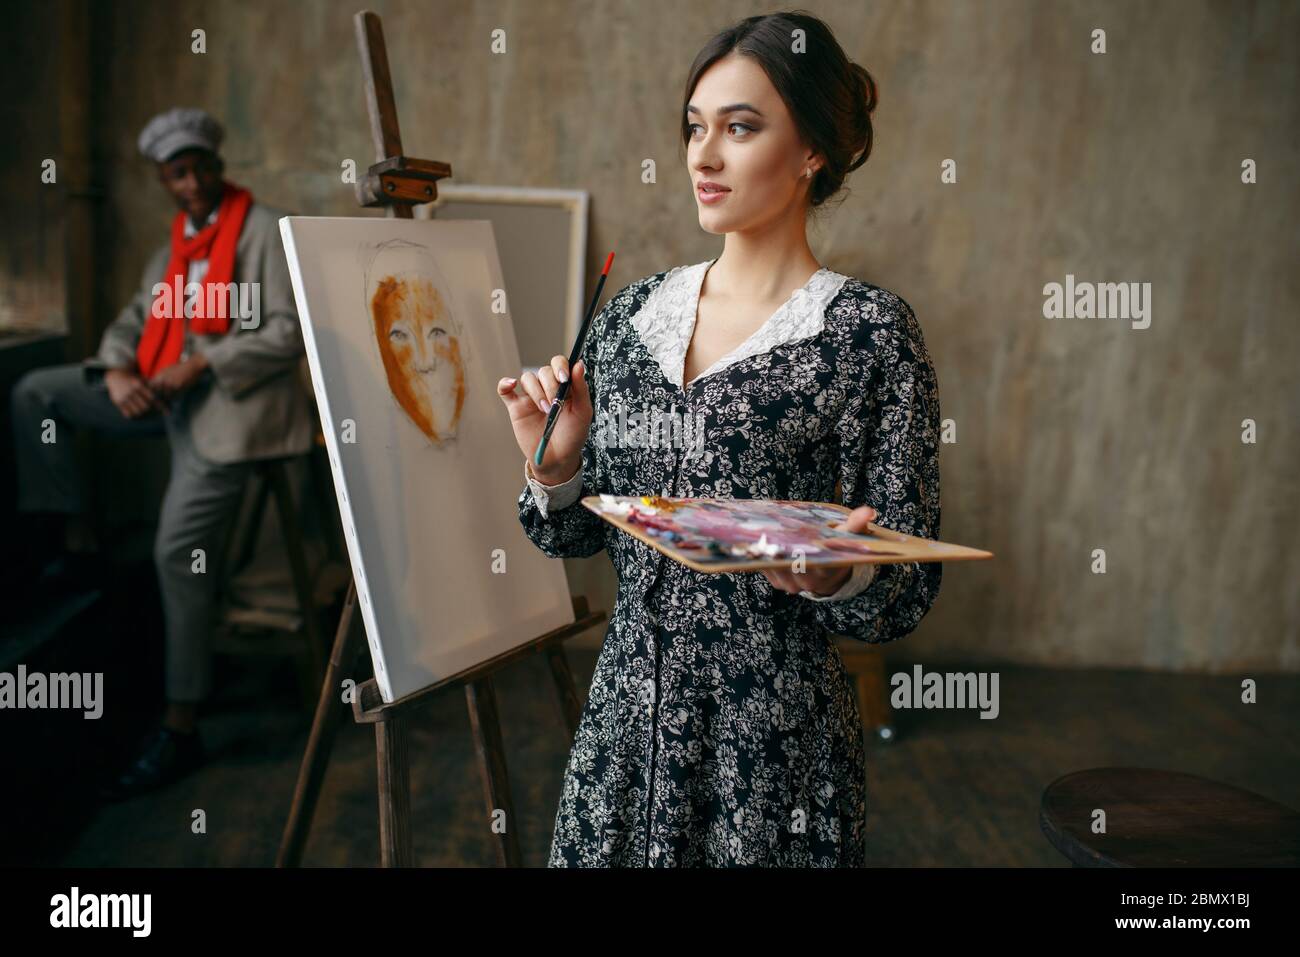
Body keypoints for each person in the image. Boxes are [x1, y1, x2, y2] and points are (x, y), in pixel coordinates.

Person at [497, 12, 942, 866]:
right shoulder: (631, 318)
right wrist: (555, 464)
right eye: (694, 127)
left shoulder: (868, 334)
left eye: (739, 128)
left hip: (771, 752)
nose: (703, 156)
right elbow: (574, 535)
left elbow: (908, 583)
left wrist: (838, 573)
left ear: (811, 150)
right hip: (622, 735)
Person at [9, 107, 315, 800]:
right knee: (37, 392)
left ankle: (180, 724)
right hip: (161, 398)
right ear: (164, 181)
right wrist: (117, 370)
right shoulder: (173, 247)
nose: (193, 182)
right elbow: (134, 320)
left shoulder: (265, 230)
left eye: (201, 167)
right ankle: (75, 543)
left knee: (176, 552)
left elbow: (290, 330)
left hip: (227, 412)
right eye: (178, 173)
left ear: (218, 165)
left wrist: (202, 364)